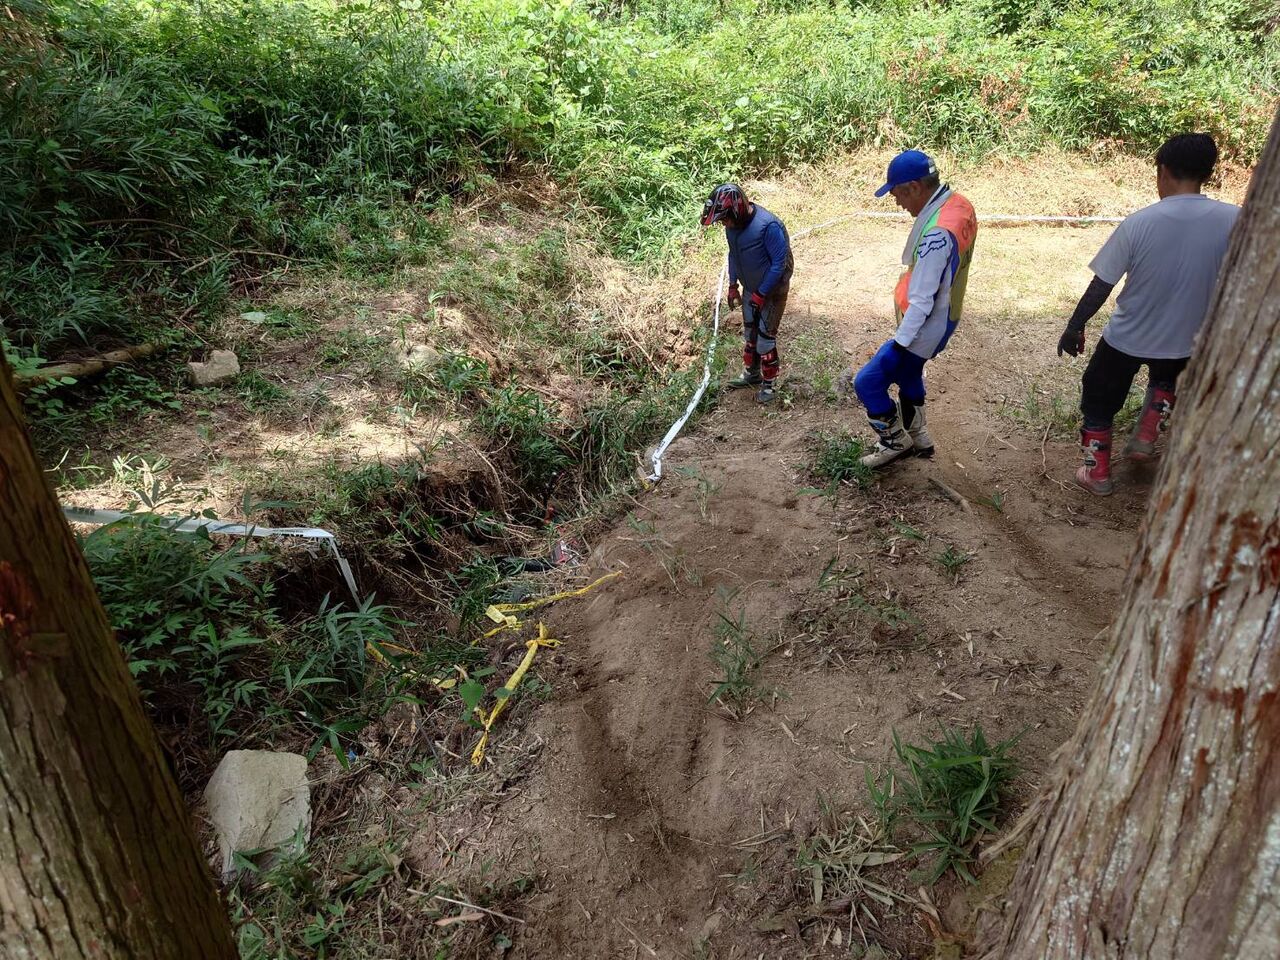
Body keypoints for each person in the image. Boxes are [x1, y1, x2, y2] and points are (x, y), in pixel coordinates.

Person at [1058, 133, 1239, 496]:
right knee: (1167, 381)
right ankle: (1145, 437)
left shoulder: (1140, 222)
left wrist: (1075, 326)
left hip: (1127, 336)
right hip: (1188, 338)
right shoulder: (1235, 220)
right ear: (1207, 173)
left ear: (1163, 171)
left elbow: (1102, 284)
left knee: (1099, 394)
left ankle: (1098, 473)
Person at [854, 151, 977, 467]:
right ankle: (920, 438)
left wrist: (900, 343)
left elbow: (923, 300)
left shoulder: (936, 235)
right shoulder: (959, 205)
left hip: (925, 324)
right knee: (910, 373)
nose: (896, 202)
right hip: (948, 315)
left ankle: (895, 442)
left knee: (867, 381)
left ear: (913, 187)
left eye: (896, 193)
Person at [701, 183, 794, 404]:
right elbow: (733, 255)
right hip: (751, 288)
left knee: (764, 339)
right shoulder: (732, 228)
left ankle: (769, 386)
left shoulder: (768, 225)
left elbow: (779, 264)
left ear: (736, 210)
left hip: (772, 291)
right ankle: (752, 373)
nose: (723, 224)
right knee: (750, 335)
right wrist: (733, 284)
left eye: (724, 219)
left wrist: (763, 293)